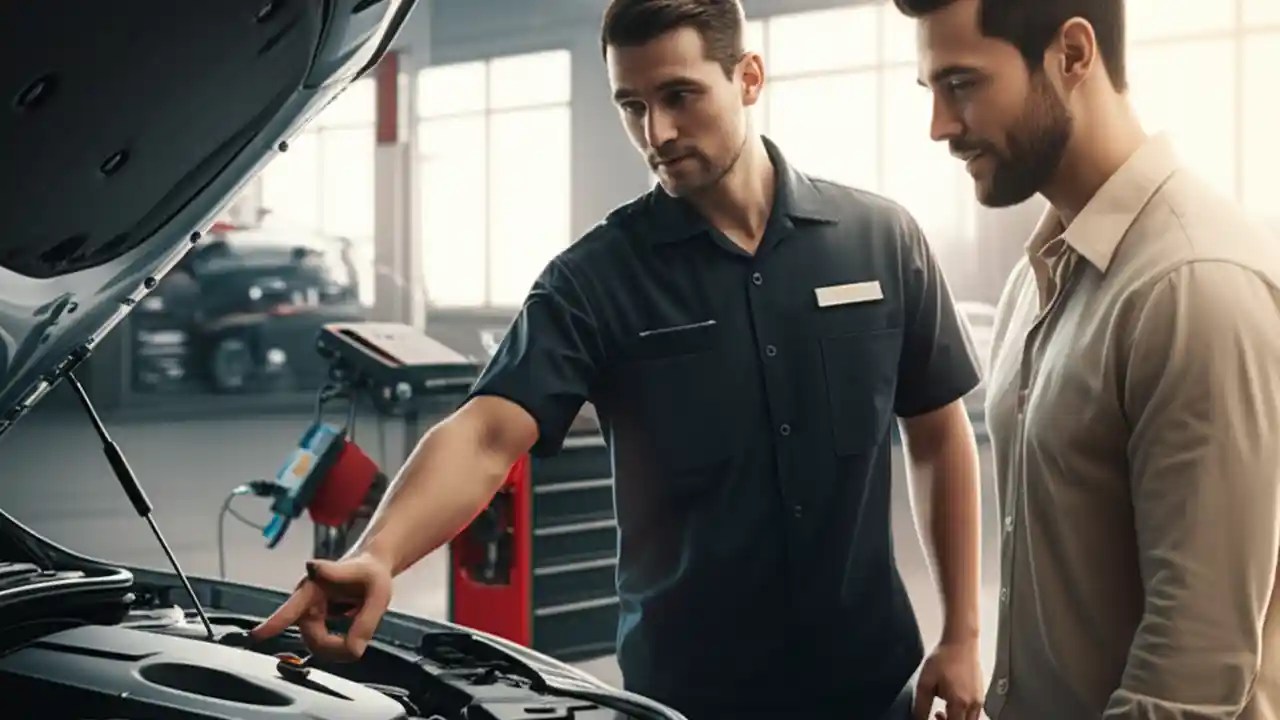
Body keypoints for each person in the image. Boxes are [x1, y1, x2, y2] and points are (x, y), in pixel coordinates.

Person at [251, 1, 987, 717]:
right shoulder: (595, 280)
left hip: (869, 685)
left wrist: (961, 633)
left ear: (750, 78)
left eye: (679, 96)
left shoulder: (881, 240)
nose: (656, 132)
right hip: (689, 698)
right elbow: (483, 436)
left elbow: (937, 432)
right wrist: (379, 554)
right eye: (630, 105)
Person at [893, 0, 1280, 717]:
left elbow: (1191, 676)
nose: (940, 126)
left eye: (963, 85)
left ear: (1073, 55)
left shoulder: (1194, 284)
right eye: (932, 92)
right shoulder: (1036, 276)